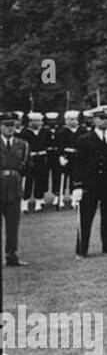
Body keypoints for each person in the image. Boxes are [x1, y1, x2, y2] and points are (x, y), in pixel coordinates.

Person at [71, 106, 107, 257]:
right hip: (90, 184)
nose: (105, 121)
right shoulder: (84, 139)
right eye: (101, 118)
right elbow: (78, 164)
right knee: (85, 219)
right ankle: (81, 250)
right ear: (94, 120)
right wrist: (77, 185)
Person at [1, 112, 31, 265]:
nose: (9, 128)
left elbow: (28, 166)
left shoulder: (22, 144)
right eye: (6, 125)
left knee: (13, 225)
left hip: (14, 188)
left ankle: (11, 256)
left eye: (12, 125)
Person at [18, 111, 49, 213]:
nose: (36, 123)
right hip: (30, 159)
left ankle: (38, 202)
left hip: (41, 158)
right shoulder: (25, 133)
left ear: (41, 122)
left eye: (38, 120)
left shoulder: (45, 132)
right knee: (28, 181)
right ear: (30, 122)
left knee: (40, 180)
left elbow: (48, 145)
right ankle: (25, 202)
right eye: (34, 121)